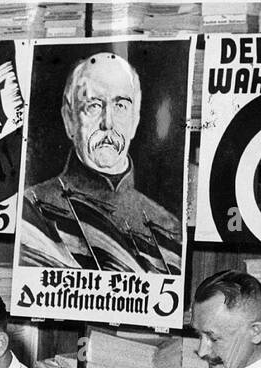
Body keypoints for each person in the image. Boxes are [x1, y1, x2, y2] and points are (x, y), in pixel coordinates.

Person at [18, 51, 181, 274]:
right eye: (93, 106)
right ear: (69, 118)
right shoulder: (33, 209)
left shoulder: (167, 227)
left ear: (135, 120)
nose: (108, 123)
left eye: (121, 106)